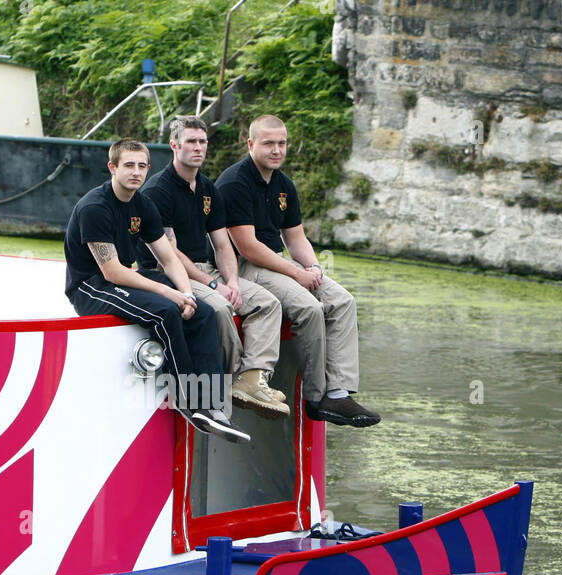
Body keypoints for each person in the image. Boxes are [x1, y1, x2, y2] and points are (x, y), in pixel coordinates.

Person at [64, 138, 250, 443]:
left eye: (141, 166)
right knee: (165, 312)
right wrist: (171, 295)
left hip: (125, 278)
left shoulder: (143, 205)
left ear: (148, 168)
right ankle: (189, 402)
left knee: (203, 312)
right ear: (112, 167)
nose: (136, 172)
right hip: (91, 287)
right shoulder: (94, 208)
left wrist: (187, 292)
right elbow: (112, 271)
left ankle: (214, 406)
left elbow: (168, 256)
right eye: (128, 165)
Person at [216, 114, 381, 428]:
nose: (277, 150)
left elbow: (295, 237)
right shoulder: (234, 182)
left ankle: (339, 391)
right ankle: (317, 399)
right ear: (251, 144)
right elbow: (248, 246)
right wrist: (295, 274)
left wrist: (313, 266)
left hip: (278, 261)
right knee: (309, 307)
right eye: (269, 143)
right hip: (246, 265)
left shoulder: (283, 185)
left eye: (282, 143)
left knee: (343, 301)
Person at [139, 116, 289, 420]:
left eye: (202, 142)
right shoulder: (158, 190)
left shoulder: (208, 189)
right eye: (191, 142)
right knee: (220, 308)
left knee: (267, 303)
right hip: (169, 273)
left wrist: (232, 279)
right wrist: (212, 285)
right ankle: (231, 380)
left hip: (210, 270)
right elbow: (169, 253)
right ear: (174, 145)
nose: (198, 148)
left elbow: (223, 245)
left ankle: (252, 379)